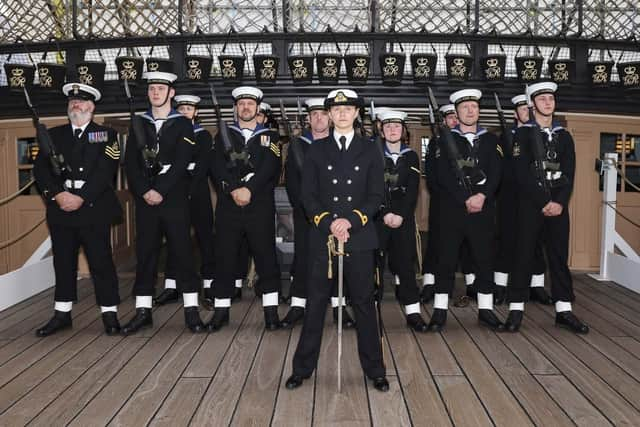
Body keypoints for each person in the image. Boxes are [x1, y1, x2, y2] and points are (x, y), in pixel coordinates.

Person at [285, 89, 388, 393]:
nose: (342, 113)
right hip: (323, 238)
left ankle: (376, 370)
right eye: (336, 109)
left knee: (365, 306)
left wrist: (351, 220)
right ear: (328, 115)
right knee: (315, 304)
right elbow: (308, 196)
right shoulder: (316, 151)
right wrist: (330, 222)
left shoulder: (371, 149)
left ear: (357, 113)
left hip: (359, 237)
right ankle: (302, 368)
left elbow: (376, 195)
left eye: (348, 108)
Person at [33, 82, 123, 336]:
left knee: (100, 262)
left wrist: (81, 197)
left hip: (92, 208)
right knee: (63, 262)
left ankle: (109, 313)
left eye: (82, 101)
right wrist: (58, 195)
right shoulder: (54, 135)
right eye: (72, 102)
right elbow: (40, 170)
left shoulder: (105, 134)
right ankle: (62, 314)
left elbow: (106, 171)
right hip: (61, 207)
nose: (76, 105)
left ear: (91, 107)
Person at [122, 71, 205, 334]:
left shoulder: (183, 123)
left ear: (171, 93)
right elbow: (131, 164)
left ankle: (192, 312)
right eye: (152, 88)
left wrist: (160, 190)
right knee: (146, 254)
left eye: (161, 88)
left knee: (182, 252)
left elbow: (182, 162)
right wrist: (145, 190)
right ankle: (143, 311)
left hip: (173, 198)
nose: (155, 92)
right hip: (146, 199)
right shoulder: (139, 123)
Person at [505, 81, 588, 334]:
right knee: (523, 256)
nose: (548, 102)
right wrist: (544, 202)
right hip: (531, 205)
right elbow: (521, 174)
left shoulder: (564, 136)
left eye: (551, 98)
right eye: (542, 99)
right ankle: (516, 310)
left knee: (559, 259)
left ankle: (564, 311)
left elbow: (569, 172)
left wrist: (560, 202)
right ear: (532, 104)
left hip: (558, 207)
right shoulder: (521, 135)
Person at [429, 89, 505, 332]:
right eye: (464, 108)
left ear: (478, 110)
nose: (470, 111)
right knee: (446, 260)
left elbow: (496, 173)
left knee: (484, 259)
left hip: (483, 209)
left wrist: (482, 195)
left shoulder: (491, 140)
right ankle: (440, 312)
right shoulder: (443, 140)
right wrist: (465, 198)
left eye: (473, 106)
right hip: (453, 210)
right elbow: (442, 175)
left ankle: (486, 310)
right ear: (457, 112)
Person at [208, 86, 283, 331]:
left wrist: (249, 189)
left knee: (266, 257)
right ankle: (221, 312)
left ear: (257, 108)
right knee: (224, 256)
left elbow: (271, 167)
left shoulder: (270, 137)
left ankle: (271, 314)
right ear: (236, 108)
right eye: (242, 104)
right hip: (229, 206)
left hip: (259, 205)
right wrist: (233, 189)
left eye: (250, 104)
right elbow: (216, 166)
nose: (246, 107)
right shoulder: (223, 135)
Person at [281, 97, 355, 329]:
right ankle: (297, 306)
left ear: (331, 118)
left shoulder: (340, 144)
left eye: (323, 114)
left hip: (336, 216)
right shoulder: (298, 146)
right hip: (307, 217)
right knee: (303, 260)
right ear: (309, 119)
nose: (319, 118)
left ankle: (339, 307)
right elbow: (292, 182)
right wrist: (307, 211)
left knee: (338, 259)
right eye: (314, 115)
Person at [154, 94, 216, 307]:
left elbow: (202, 166)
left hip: (197, 192)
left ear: (196, 112)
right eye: (181, 109)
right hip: (174, 191)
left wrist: (188, 188)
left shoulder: (203, 135)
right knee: (174, 239)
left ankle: (209, 286)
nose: (184, 112)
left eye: (189, 109)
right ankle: (171, 286)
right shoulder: (169, 133)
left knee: (205, 238)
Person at [493, 94, 551, 305]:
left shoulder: (541, 135)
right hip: (509, 195)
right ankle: (500, 285)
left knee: (536, 241)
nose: (527, 112)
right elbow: (500, 168)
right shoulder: (505, 136)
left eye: (529, 109)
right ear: (515, 113)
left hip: (534, 196)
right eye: (522, 109)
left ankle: (536, 285)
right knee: (507, 239)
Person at [375, 110, 428, 332]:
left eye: (397, 126)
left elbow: (413, 188)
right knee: (373, 266)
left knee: (406, 266)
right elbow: (371, 187)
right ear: (381, 130)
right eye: (388, 126)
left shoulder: (411, 156)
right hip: (378, 217)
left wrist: (401, 214)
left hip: (403, 217)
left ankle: (413, 313)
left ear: (403, 130)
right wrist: (385, 212)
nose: (392, 130)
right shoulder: (373, 153)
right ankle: (371, 312)